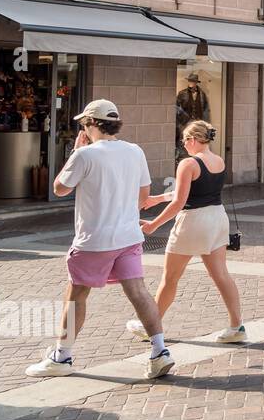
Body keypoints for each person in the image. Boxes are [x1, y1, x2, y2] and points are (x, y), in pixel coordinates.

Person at [26, 100, 174, 380]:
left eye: (84, 124)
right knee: (139, 292)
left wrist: (76, 153)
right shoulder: (135, 151)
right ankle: (160, 351)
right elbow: (143, 197)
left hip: (94, 239)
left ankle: (62, 356)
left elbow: (59, 188)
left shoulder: (85, 155)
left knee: (76, 297)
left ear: (93, 124)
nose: (83, 128)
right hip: (128, 236)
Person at [134, 120, 245, 344]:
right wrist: (159, 198)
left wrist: (153, 225)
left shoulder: (188, 163)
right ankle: (237, 326)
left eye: (185, 140)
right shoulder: (219, 160)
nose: (184, 145)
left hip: (193, 222)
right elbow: (195, 190)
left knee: (170, 278)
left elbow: (179, 202)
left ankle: (150, 327)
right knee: (221, 275)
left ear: (193, 139)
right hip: (217, 218)